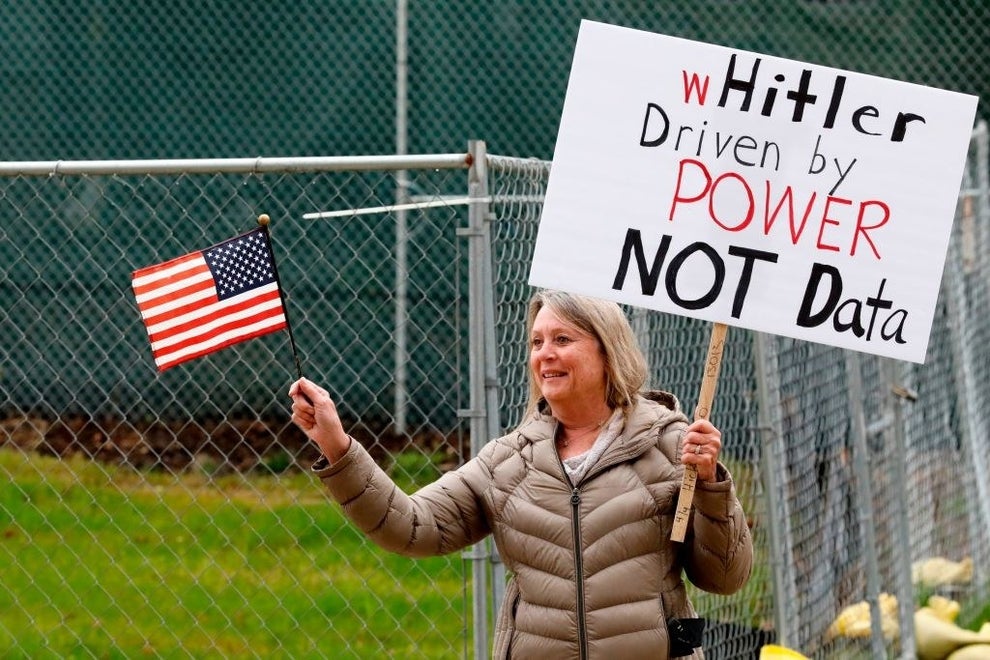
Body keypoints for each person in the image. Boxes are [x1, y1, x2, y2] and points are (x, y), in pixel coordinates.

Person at [289, 289, 753, 659]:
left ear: (608, 351)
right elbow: (410, 526)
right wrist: (337, 445)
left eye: (562, 340)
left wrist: (711, 485)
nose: (544, 354)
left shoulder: (673, 448)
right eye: (537, 342)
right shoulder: (507, 461)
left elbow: (725, 577)